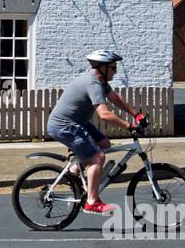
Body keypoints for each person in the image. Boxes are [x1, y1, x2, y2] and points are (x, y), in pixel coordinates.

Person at [46, 50, 146, 214]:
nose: (116, 71)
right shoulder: (92, 83)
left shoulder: (100, 81)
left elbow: (116, 98)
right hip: (64, 125)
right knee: (97, 157)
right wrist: (129, 126)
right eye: (113, 68)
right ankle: (91, 201)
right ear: (103, 68)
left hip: (79, 123)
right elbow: (104, 114)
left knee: (104, 144)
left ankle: (74, 171)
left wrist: (137, 114)